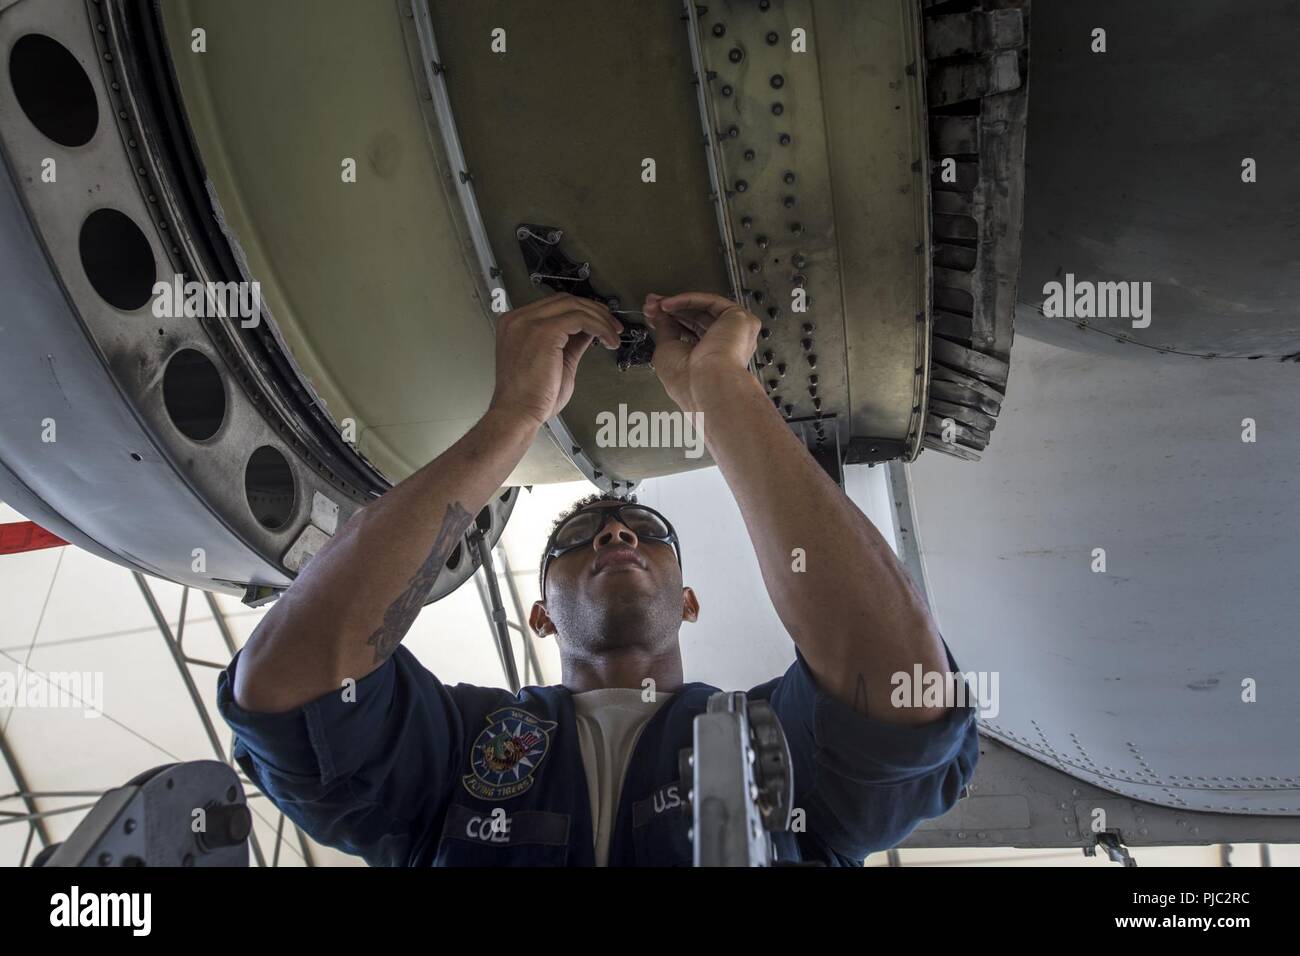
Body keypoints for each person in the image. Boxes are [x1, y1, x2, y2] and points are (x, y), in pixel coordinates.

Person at [216, 291, 978, 866]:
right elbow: (292, 678)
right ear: (540, 615)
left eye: (648, 534)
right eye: (578, 538)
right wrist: (514, 416)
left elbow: (903, 683)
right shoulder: (456, 748)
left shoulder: (765, 742)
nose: (617, 532)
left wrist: (723, 392)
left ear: (687, 602)